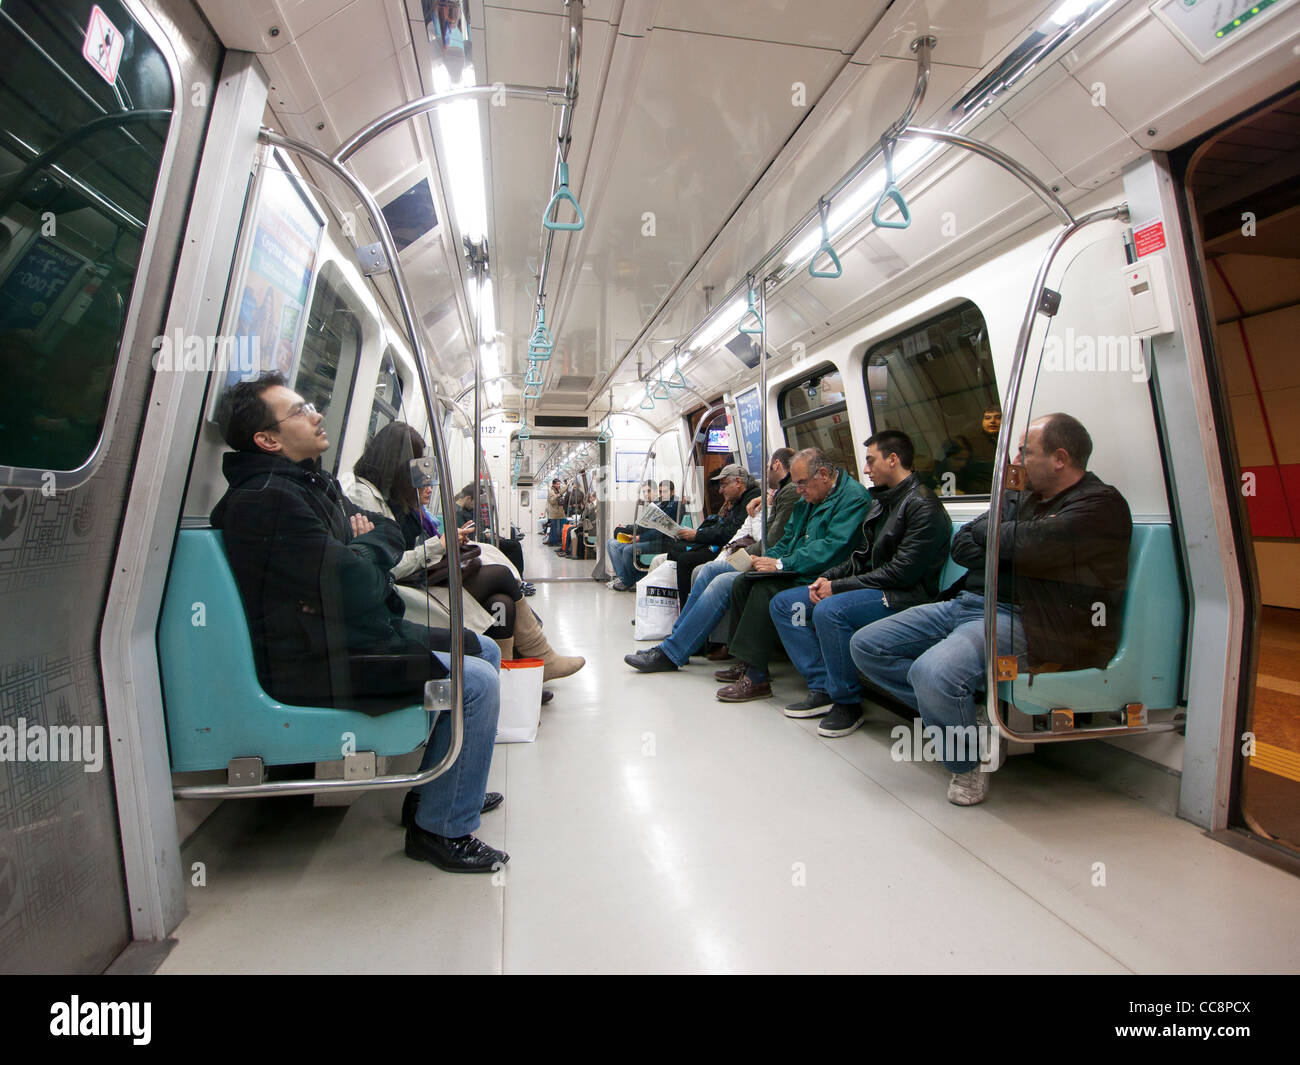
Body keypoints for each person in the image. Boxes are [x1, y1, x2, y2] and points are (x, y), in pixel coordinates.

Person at [211, 373, 506, 874]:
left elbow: (386, 533)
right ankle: (442, 831)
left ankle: (437, 795)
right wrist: (362, 549)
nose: (316, 414)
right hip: (316, 658)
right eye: (300, 410)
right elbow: (356, 584)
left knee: (484, 649)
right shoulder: (267, 501)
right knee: (475, 682)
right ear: (268, 440)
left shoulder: (310, 483)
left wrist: (360, 547)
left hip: (353, 632)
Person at [850, 413, 1131, 807]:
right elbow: (963, 543)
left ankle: (966, 763)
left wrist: (1005, 543)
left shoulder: (1100, 505)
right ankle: (964, 719)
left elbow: (1033, 543)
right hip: (967, 602)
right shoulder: (1020, 494)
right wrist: (1009, 546)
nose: (1015, 460)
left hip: (1029, 620)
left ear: (1060, 458)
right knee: (867, 645)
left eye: (1024, 451)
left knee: (932, 672)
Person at [341, 427, 582, 682]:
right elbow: (385, 564)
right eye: (416, 462)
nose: (420, 473)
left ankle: (518, 678)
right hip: (399, 589)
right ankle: (539, 658)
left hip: (414, 575)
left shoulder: (395, 498)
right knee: (500, 575)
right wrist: (439, 546)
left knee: (502, 600)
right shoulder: (362, 496)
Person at [769, 431, 952, 737]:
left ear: (893, 460)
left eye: (871, 460)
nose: (865, 469)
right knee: (787, 605)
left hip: (906, 595)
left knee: (830, 611)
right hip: (878, 587)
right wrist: (830, 577)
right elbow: (862, 556)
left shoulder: (922, 506)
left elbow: (901, 574)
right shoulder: (883, 502)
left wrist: (838, 588)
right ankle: (823, 686)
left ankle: (847, 703)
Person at [713, 448, 872, 702]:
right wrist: (765, 559)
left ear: (822, 474)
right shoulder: (808, 498)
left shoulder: (853, 498)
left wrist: (780, 564)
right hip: (800, 566)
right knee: (744, 582)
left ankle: (757, 679)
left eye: (801, 484)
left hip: (827, 572)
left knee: (765, 592)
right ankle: (748, 661)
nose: (798, 490)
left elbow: (831, 549)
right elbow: (789, 539)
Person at [665, 465, 760, 603]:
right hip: (724, 543)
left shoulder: (751, 500)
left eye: (724, 485)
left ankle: (685, 608)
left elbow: (731, 532)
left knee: (686, 560)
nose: (721, 491)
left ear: (738, 482)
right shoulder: (736, 501)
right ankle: (673, 604)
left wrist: (697, 536)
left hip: (737, 549)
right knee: (677, 548)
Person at [604, 479, 681, 590]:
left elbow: (661, 530)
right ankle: (626, 579)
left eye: (665, 492)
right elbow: (646, 526)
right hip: (652, 538)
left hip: (663, 542)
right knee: (616, 545)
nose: (662, 495)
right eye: (660, 492)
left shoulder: (674, 506)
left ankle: (628, 580)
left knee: (628, 550)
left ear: (672, 492)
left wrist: (639, 538)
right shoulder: (661, 504)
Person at [545, 479, 565, 545]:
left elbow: (561, 492)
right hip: (555, 513)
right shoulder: (551, 491)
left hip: (559, 513)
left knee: (556, 528)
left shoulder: (557, 490)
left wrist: (566, 486)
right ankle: (553, 542)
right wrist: (558, 496)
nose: (559, 485)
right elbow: (552, 501)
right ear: (553, 484)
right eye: (557, 484)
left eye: (559, 484)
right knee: (555, 529)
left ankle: (553, 541)